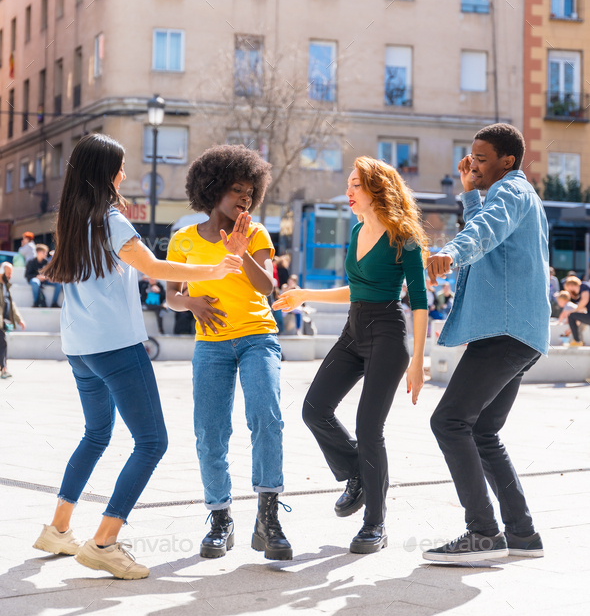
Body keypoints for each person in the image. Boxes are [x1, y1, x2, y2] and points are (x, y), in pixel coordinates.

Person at [32, 133, 243, 580]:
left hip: (80, 348)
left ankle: (58, 528)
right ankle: (104, 541)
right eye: (120, 167)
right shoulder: (110, 220)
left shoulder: (71, 220)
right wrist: (216, 268)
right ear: (104, 174)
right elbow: (155, 268)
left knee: (96, 434)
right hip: (115, 346)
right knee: (151, 443)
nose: (124, 175)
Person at [273, 156, 428, 555]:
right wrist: (305, 293)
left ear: (376, 188)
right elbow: (353, 288)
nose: (349, 191)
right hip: (354, 330)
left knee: (368, 428)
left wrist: (417, 361)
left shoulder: (404, 237)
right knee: (314, 408)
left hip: (389, 336)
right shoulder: (357, 230)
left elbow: (421, 302)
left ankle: (374, 524)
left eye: (355, 185)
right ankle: (357, 474)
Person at [424, 123, 550, 564]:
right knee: (482, 431)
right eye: (471, 156)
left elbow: (486, 231)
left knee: (450, 422)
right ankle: (522, 534)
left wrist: (451, 252)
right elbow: (490, 226)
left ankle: (483, 534)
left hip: (504, 331)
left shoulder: (511, 192)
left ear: (507, 161)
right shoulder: (518, 194)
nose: (472, 162)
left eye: (481, 158)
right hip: (520, 333)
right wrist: (471, 190)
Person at [166, 145, 293, 561]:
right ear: (212, 188)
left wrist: (238, 253)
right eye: (237, 188)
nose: (245, 197)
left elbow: (265, 287)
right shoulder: (184, 239)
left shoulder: (255, 233)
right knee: (210, 432)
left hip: (257, 336)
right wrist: (193, 304)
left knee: (267, 418)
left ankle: (268, 517)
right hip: (211, 345)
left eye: (250, 190)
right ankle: (220, 518)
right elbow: (171, 296)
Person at [0, 261, 26, 379]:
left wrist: (19, 319)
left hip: (3, 321)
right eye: (8, 273)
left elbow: (11, 304)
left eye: (11, 273)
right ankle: (3, 369)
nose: (10, 276)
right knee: (3, 343)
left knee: (3, 344)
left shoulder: (6, 285)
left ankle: (3, 368)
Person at [25, 243, 63, 308]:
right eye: (44, 252)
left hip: (45, 280)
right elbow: (27, 274)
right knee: (35, 282)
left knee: (58, 283)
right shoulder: (31, 262)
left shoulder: (46, 262)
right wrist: (37, 276)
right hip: (35, 279)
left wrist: (46, 277)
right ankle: (36, 302)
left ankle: (54, 303)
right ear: (38, 252)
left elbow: (50, 273)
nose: (45, 254)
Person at [567, 277, 590, 346]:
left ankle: (577, 341)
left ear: (571, 286)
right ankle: (578, 341)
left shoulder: (583, 286)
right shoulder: (581, 292)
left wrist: (574, 310)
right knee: (573, 316)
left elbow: (585, 300)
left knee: (571, 316)